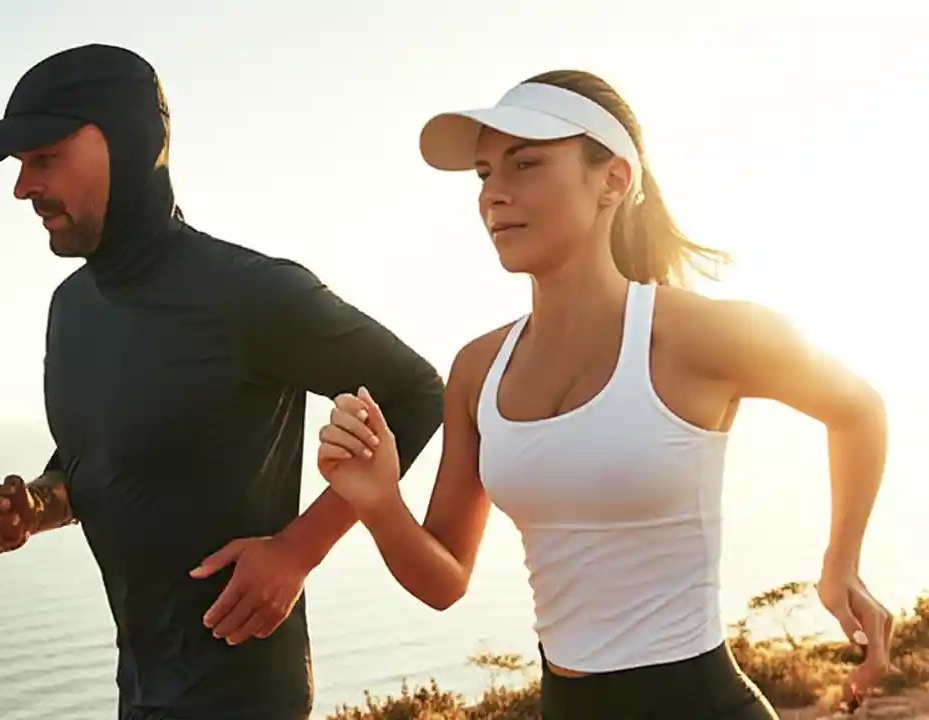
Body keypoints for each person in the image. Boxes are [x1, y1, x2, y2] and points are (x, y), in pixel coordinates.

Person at [313, 71, 892, 719]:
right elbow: (445, 580)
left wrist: (842, 565)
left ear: (613, 181)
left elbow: (858, 409)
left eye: (525, 164)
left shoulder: (696, 333)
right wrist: (380, 501)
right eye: (483, 174)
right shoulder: (478, 367)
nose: (495, 195)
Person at [0, 44, 445, 720]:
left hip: (245, 697)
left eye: (44, 158)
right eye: (20, 165)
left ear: (125, 143)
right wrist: (38, 506)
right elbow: (97, 464)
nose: (23, 187)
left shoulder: (249, 294)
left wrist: (300, 549)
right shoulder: (71, 309)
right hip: (142, 694)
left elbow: (416, 393)